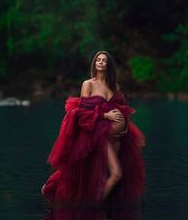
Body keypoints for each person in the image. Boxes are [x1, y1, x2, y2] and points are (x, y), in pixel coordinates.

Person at [41, 51, 146, 204]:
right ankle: (94, 206)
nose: (101, 62)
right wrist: (106, 116)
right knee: (116, 174)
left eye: (104, 60)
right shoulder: (88, 84)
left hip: (116, 137)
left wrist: (125, 128)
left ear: (109, 64)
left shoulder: (114, 86)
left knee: (104, 173)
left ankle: (103, 205)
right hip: (98, 134)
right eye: (98, 60)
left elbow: (123, 109)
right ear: (95, 64)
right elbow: (82, 112)